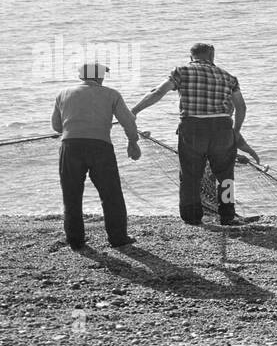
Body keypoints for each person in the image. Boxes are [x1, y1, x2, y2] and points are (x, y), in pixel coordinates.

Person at [131, 42, 248, 227]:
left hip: (193, 128)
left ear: (191, 56)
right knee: (226, 175)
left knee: (190, 175)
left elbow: (157, 92)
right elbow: (241, 107)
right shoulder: (229, 77)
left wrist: (134, 111)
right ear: (212, 56)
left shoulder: (181, 72)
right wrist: (236, 132)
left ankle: (192, 217)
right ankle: (227, 216)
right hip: (223, 128)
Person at [51, 60, 141, 250]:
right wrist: (133, 142)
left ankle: (75, 240)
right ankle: (118, 238)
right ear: (100, 76)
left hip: (70, 146)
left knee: (72, 195)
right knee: (111, 194)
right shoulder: (111, 94)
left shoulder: (63, 93)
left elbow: (57, 127)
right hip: (100, 147)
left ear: (81, 76)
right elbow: (128, 122)